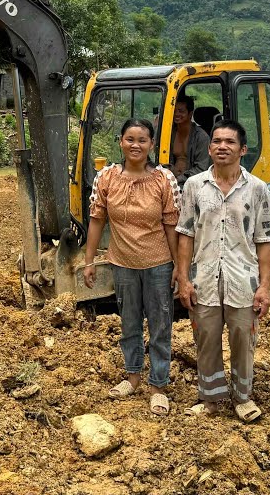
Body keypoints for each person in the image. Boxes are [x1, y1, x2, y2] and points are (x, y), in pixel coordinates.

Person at [174, 119, 270, 422]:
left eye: (230, 142)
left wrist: (265, 286)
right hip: (204, 277)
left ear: (242, 149)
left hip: (243, 280)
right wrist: (183, 278)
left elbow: (265, 240)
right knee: (205, 337)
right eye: (217, 141)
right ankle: (210, 398)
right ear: (209, 148)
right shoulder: (194, 186)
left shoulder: (257, 189)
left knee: (243, 338)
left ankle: (242, 398)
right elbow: (186, 234)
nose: (222, 146)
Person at [82, 118, 181, 416]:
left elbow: (171, 225)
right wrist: (89, 261)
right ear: (121, 142)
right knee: (129, 323)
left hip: (159, 264)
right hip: (122, 264)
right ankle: (133, 377)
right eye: (129, 139)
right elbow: (97, 219)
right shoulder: (107, 178)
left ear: (152, 145)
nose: (135, 145)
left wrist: (179, 266)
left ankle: (158, 386)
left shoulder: (164, 179)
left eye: (142, 140)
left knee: (161, 324)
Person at [168, 96, 210, 186]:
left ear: (190, 114)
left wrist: (178, 180)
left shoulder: (201, 137)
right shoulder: (168, 134)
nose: (176, 114)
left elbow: (201, 168)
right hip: (171, 183)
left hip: (194, 185)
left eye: (181, 111)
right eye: (174, 111)